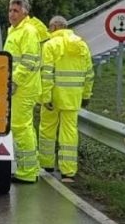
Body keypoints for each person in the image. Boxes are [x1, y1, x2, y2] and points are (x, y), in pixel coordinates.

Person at [38, 15, 94, 183]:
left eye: (49, 28)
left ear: (54, 27)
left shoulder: (50, 45)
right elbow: (89, 73)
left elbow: (46, 74)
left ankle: (46, 165)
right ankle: (68, 172)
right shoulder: (81, 44)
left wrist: (45, 97)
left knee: (47, 130)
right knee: (69, 133)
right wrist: (86, 95)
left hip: (53, 97)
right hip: (73, 96)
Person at [3, 0, 50, 183]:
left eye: (16, 11)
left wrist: (14, 81)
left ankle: (28, 171)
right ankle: (28, 168)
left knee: (21, 127)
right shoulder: (15, 30)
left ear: (25, 12)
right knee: (22, 127)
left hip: (23, 87)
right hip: (19, 86)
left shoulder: (28, 31)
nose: (11, 14)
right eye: (10, 10)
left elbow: (29, 62)